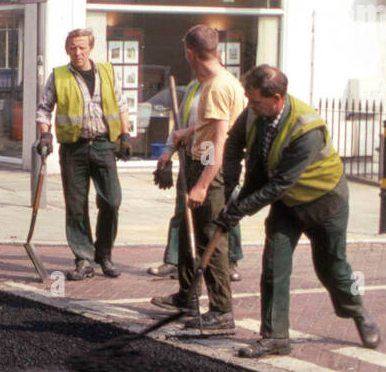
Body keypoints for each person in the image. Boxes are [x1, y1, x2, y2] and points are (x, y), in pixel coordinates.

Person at [216, 64, 381, 358]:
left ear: (277, 98)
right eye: (248, 99)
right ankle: (275, 337)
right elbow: (233, 145)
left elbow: (280, 183)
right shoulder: (255, 113)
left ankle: (357, 311)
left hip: (324, 204)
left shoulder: (306, 128)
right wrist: (229, 187)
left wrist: (238, 211)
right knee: (273, 266)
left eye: (254, 100)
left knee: (332, 268)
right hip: (287, 206)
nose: (249, 106)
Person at [148, 25, 245, 332]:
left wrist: (202, 184)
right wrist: (183, 136)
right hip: (199, 158)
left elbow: (219, 141)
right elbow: (214, 128)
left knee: (210, 238)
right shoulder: (218, 81)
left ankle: (221, 311)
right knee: (191, 231)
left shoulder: (216, 86)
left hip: (209, 166)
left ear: (190, 53)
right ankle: (188, 296)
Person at [34, 27, 131, 281]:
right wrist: (45, 134)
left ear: (90, 48)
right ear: (67, 49)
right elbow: (44, 109)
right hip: (74, 149)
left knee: (112, 201)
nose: (78, 52)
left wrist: (126, 135)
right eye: (73, 47)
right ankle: (84, 259)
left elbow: (121, 105)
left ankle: (104, 253)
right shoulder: (59, 76)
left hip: (103, 146)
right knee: (76, 207)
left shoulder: (108, 73)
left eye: (82, 47)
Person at [149, 77, 243, 281]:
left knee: (221, 207)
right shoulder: (193, 86)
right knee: (183, 208)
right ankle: (174, 260)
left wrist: (190, 132)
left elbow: (225, 127)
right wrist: (169, 150)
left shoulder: (224, 86)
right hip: (192, 152)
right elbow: (179, 123)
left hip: (213, 151)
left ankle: (230, 261)